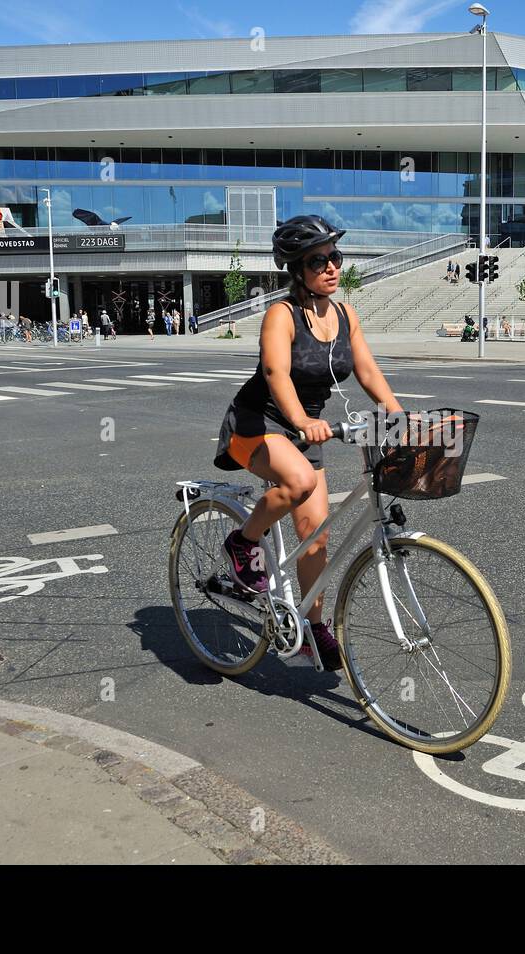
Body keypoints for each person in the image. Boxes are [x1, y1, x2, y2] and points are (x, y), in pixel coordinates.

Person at [212, 215, 404, 672]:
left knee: (316, 535)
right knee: (297, 481)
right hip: (259, 422)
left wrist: (396, 411)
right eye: (319, 260)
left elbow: (367, 370)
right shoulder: (281, 315)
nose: (332, 267)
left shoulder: (343, 313)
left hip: (306, 426)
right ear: (297, 270)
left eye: (335, 257)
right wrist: (300, 420)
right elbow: (277, 373)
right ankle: (243, 543)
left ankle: (310, 628)